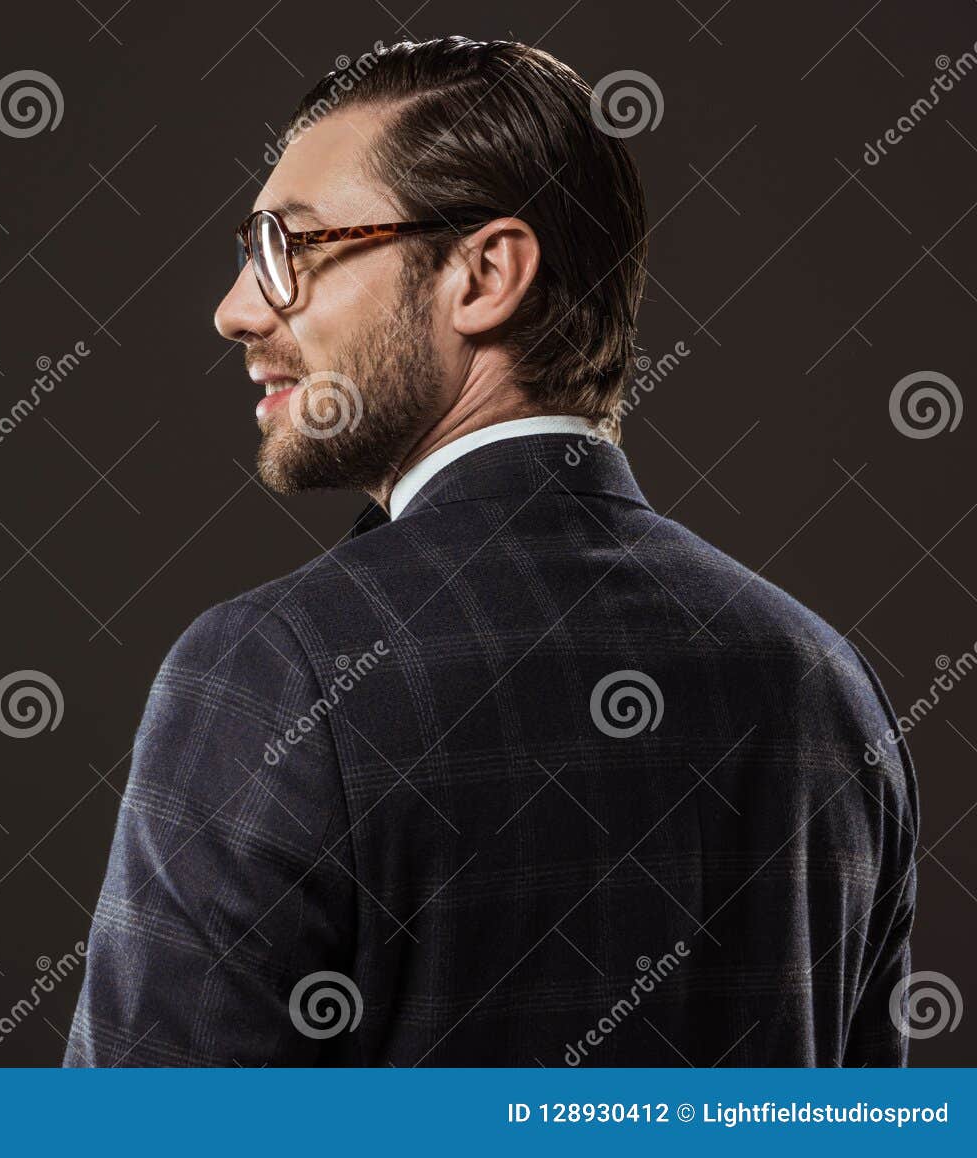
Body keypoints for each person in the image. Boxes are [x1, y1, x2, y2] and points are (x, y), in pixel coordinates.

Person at [64, 36, 917, 1066]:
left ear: (483, 274)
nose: (238, 307)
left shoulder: (274, 672)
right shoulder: (827, 683)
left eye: (291, 248)